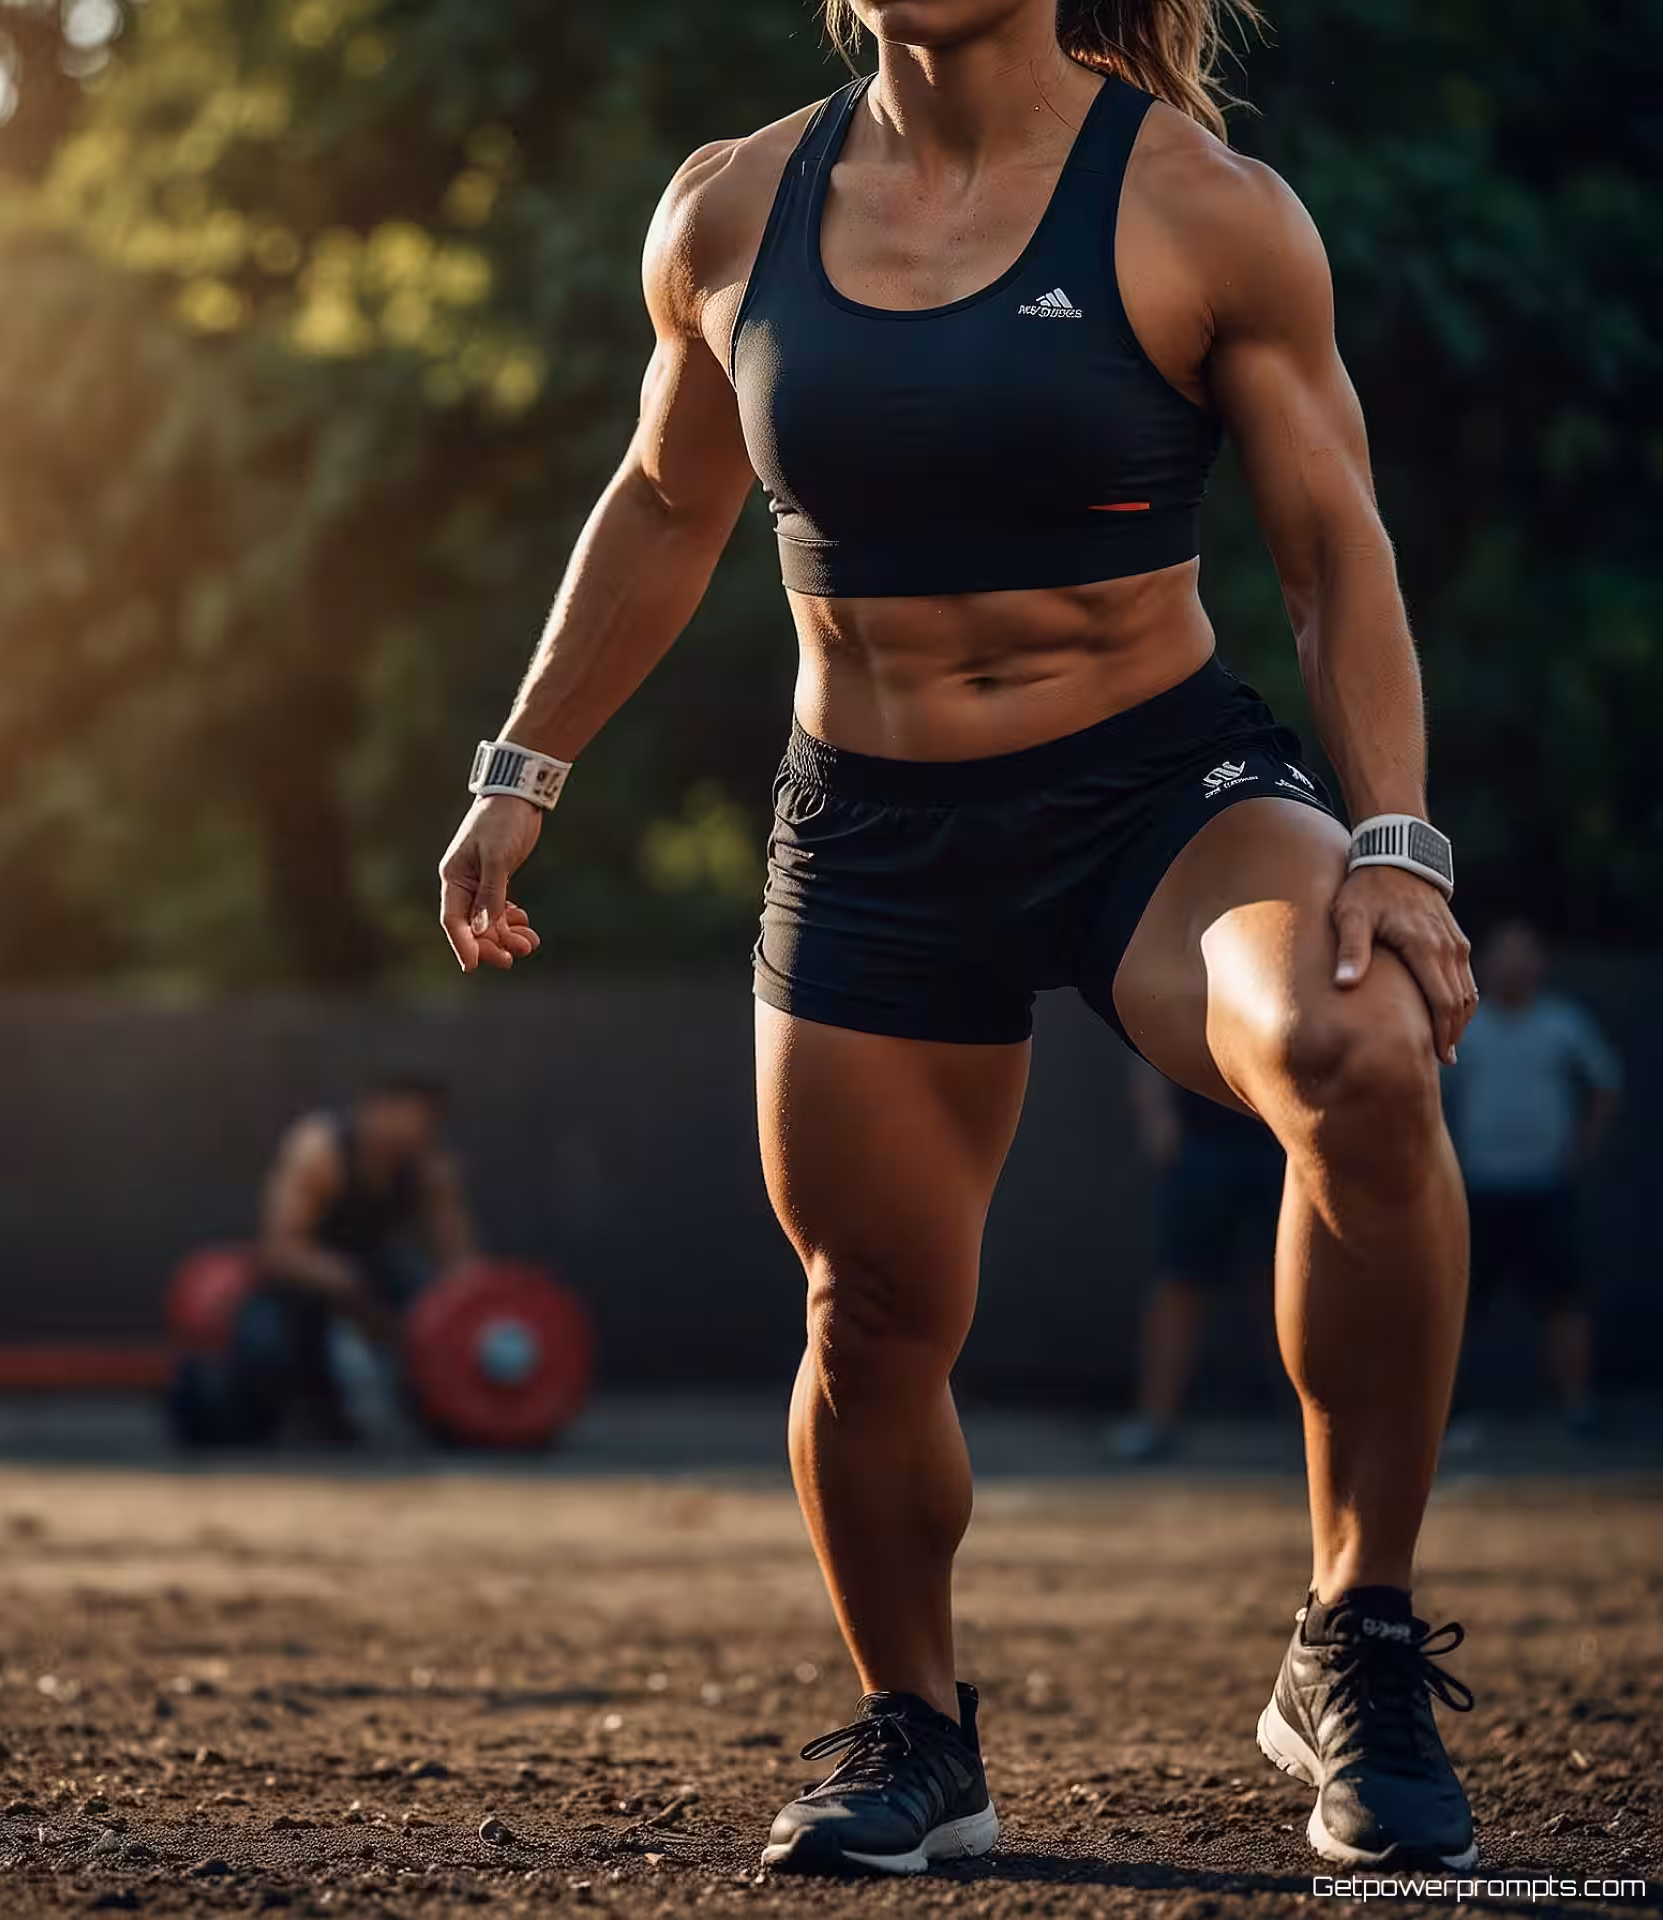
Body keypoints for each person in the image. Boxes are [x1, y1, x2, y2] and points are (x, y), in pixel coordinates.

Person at [438, 0, 1481, 1876]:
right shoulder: (728, 210)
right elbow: (672, 497)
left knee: (1363, 1045)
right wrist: (528, 764)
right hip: (877, 828)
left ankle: (1359, 1642)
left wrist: (1394, 844)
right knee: (872, 1311)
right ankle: (920, 1734)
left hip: (1160, 797)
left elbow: (1334, 552)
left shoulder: (1201, 206)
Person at [224, 1076, 475, 1445]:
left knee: (431, 1302)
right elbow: (278, 1249)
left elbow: (462, 1264)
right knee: (266, 1344)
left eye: (429, 1123)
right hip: (300, 1280)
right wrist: (342, 1282)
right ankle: (308, 1411)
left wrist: (456, 1322)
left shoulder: (429, 1166)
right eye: (414, 1119)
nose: (420, 1132)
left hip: (373, 1268)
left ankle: (437, 1411)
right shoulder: (318, 1150)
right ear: (378, 1111)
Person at [1447, 920, 1619, 1434]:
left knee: (1563, 1299)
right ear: (1483, 962)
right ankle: (1444, 1416)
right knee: (1456, 1306)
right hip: (1477, 1190)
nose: (1513, 965)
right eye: (1504, 954)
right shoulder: (1464, 1024)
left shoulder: (1564, 1024)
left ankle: (1577, 1409)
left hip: (1546, 1189)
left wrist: (1582, 1150)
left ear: (1541, 964)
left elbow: (1606, 1085)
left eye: (1525, 954)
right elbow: (1431, 1095)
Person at [1113, 1063, 1284, 1462]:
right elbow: (1146, 1026)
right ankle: (1155, 1419)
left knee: (1291, 1283)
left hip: (1284, 1136)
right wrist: (1156, 1114)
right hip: (1199, 1139)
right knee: (1181, 1280)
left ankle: (1315, 1423)